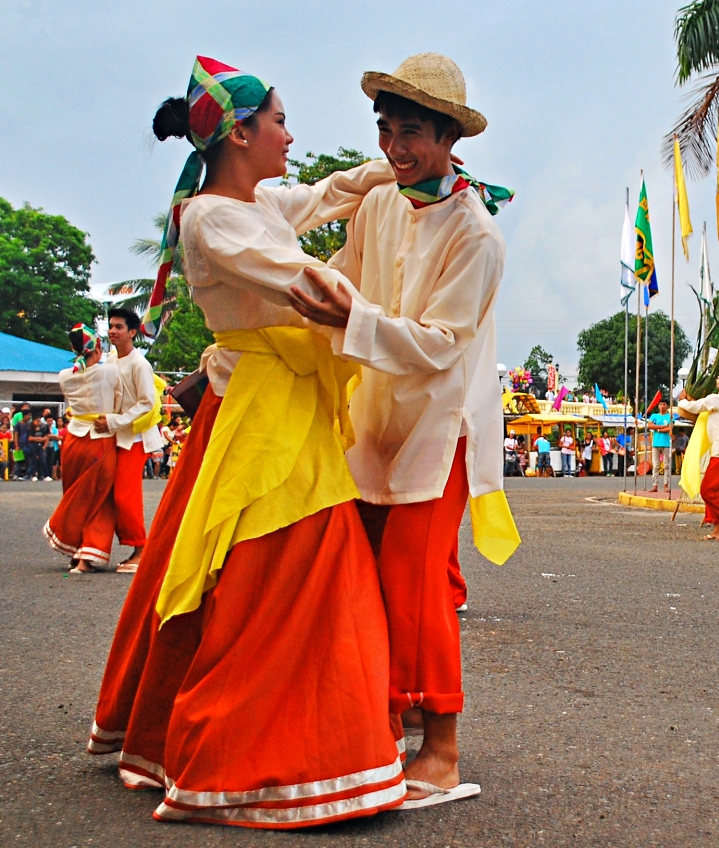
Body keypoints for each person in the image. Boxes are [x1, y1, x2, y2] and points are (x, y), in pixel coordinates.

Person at [89, 56, 403, 827]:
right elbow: (304, 283)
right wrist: (406, 327)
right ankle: (270, 748)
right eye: (281, 122)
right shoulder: (211, 217)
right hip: (260, 406)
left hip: (273, 396)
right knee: (291, 565)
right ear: (239, 132)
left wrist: (402, 163)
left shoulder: (256, 197)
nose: (291, 136)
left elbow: (328, 192)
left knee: (234, 564)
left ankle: (298, 736)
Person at [287, 52, 519, 808]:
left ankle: (443, 750)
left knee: (416, 588)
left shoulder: (476, 233)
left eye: (412, 131)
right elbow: (346, 273)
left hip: (437, 429)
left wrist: (347, 316)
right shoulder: (381, 201)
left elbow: (439, 343)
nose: (395, 147)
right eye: (386, 129)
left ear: (451, 136)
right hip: (371, 419)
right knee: (362, 579)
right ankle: (378, 728)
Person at [44, 325, 120, 572]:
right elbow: (118, 399)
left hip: (74, 440)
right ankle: (86, 555)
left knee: (74, 494)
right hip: (100, 437)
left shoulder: (65, 375)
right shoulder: (110, 372)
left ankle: (75, 549)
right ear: (97, 347)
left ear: (73, 348)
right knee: (99, 497)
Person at [102, 308, 166, 572]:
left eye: (119, 327)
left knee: (125, 495)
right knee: (103, 493)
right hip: (111, 435)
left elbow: (147, 403)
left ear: (132, 332)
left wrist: (114, 421)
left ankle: (141, 549)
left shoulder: (140, 364)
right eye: (111, 326)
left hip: (135, 437)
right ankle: (94, 547)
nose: (113, 331)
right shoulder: (109, 361)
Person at [677, 378, 719, 540]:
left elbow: (693, 407)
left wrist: (682, 401)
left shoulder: (717, 399)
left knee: (707, 490)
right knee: (716, 492)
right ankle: (717, 530)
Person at [647, 399, 673, 490]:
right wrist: (662, 427)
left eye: (664, 404)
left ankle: (666, 485)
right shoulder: (654, 416)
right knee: (656, 465)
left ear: (667, 406)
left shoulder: (669, 416)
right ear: (658, 406)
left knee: (666, 465)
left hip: (666, 443)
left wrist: (656, 429)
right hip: (656, 443)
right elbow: (649, 426)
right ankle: (655, 485)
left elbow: (669, 429)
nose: (662, 406)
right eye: (660, 404)